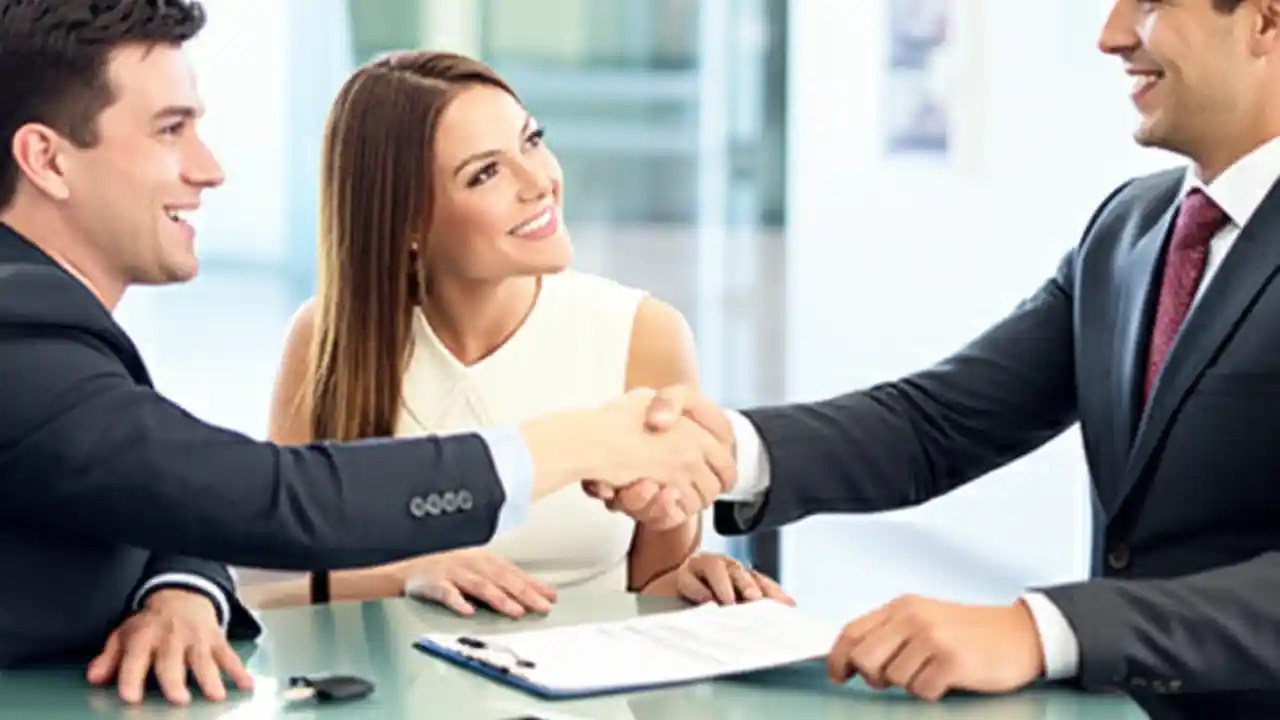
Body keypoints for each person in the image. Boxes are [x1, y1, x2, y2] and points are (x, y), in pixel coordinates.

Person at [0, 0, 734, 706]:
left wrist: (179, 591)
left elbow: (174, 491)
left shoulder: (50, 326)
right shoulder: (24, 333)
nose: (212, 168)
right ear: (47, 160)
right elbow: (266, 503)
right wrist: (568, 446)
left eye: (532, 141)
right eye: (170, 130)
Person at [602, 0, 1280, 717]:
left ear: (1264, 20)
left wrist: (1044, 630)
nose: (1110, 36)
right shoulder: (1132, 229)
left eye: (1149, 3)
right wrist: (721, 451)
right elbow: (940, 423)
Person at [239, 50, 788, 615]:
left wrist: (698, 578)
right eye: (485, 173)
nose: (539, 182)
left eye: (531, 140)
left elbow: (655, 579)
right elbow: (275, 582)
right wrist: (407, 575)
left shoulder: (644, 334)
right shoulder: (324, 339)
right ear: (406, 222)